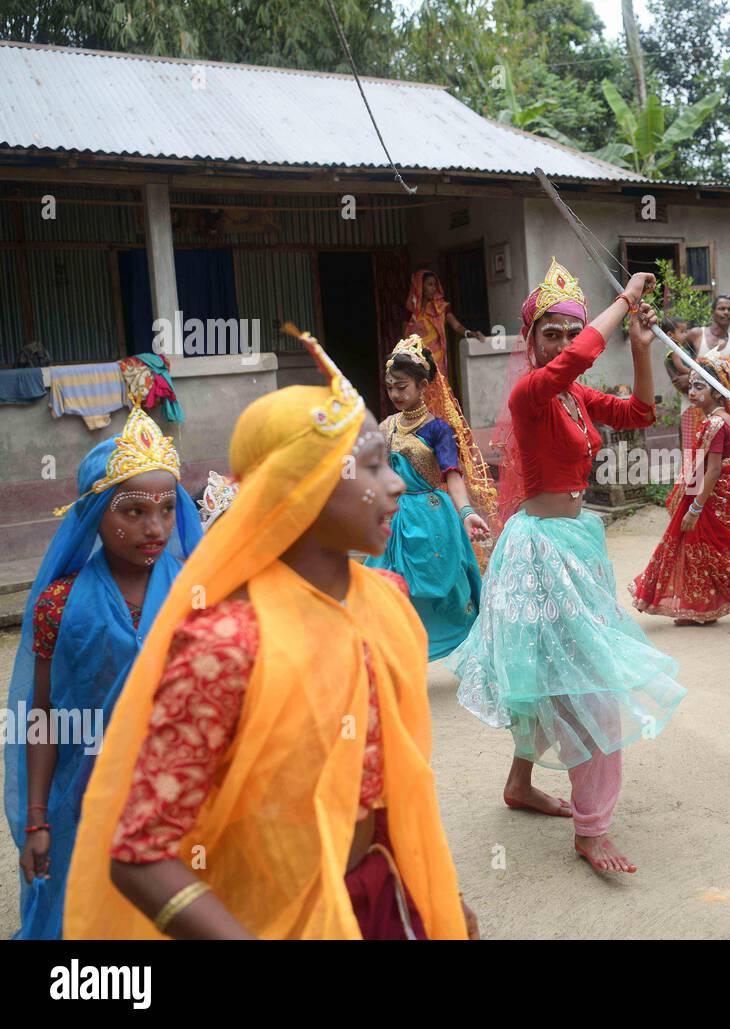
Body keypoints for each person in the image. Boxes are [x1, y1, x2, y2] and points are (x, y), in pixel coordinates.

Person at [64, 333, 475, 940]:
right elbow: (139, 852)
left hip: (381, 897)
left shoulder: (385, 604)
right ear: (298, 489)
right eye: (369, 467)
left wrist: (435, 890)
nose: (394, 486)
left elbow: (393, 784)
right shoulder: (226, 644)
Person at [450, 260, 686, 875]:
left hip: (577, 546)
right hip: (539, 552)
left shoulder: (576, 397)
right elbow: (578, 358)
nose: (559, 342)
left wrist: (638, 346)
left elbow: (638, 413)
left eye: (566, 330)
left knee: (554, 675)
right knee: (591, 690)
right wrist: (622, 299)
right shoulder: (531, 394)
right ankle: (592, 829)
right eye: (548, 332)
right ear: (529, 343)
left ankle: (519, 784)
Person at [4, 406, 201, 940]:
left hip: (179, 799)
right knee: (80, 919)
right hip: (81, 798)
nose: (154, 527)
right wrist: (38, 817)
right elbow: (42, 716)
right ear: (94, 515)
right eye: (132, 511)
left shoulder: (197, 594)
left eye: (165, 508)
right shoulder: (59, 605)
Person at [365, 335, 497, 659]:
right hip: (396, 519)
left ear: (423, 386)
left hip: (433, 518)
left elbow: (452, 477)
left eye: (402, 386)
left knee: (449, 586)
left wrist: (466, 513)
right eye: (390, 387)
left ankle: (469, 648)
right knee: (381, 584)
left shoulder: (438, 430)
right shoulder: (386, 427)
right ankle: (391, 652)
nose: (394, 394)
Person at [630, 354, 730, 625]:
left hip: (712, 496)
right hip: (716, 492)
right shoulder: (723, 417)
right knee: (701, 551)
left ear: (717, 392)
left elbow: (714, 469)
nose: (692, 392)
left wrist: (694, 508)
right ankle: (701, 607)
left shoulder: (716, 423)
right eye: (691, 386)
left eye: (699, 387)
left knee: (717, 555)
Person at [404, 269, 487, 383]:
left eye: (435, 285)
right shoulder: (412, 310)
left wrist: (469, 333)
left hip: (436, 358)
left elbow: (456, 326)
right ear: (420, 286)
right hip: (415, 359)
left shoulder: (441, 307)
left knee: (437, 390)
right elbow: (405, 335)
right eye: (429, 284)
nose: (433, 288)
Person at [663, 316, 701, 470]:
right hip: (689, 402)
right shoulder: (674, 351)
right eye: (682, 331)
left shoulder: (684, 349)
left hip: (694, 399)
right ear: (671, 335)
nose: (685, 335)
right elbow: (680, 368)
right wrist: (696, 372)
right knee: (691, 441)